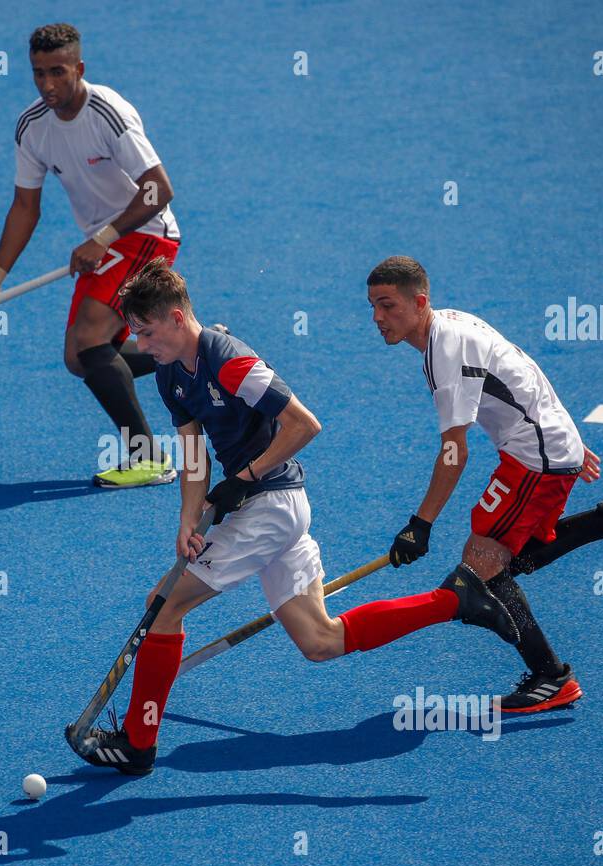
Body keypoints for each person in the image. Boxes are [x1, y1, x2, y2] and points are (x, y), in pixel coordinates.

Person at [68, 258, 519, 775]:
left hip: (270, 506)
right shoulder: (171, 372)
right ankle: (455, 600)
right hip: (269, 509)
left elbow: (304, 425)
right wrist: (188, 519)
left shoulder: (230, 360)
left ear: (175, 318)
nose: (142, 347)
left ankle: (137, 744)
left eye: (147, 333)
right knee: (320, 641)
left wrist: (247, 476)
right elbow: (193, 455)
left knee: (164, 605)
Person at [367, 255, 603, 713]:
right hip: (544, 450)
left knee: (480, 568)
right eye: (373, 306)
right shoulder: (448, 327)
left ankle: (552, 677)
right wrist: (568, 437)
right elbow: (525, 369)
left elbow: (455, 452)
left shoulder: (447, 349)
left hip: (535, 460)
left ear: (420, 302)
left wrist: (420, 524)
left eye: (388, 305)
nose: (377, 318)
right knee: (498, 565)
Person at [0, 23, 181, 489]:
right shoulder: (32, 127)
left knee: (88, 339)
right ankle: (194, 348)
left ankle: (149, 459)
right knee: (80, 357)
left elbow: (158, 188)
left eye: (58, 73)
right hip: (105, 242)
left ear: (79, 69)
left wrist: (102, 237)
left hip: (146, 232)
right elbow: (25, 207)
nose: (47, 85)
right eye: (38, 74)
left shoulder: (108, 112)